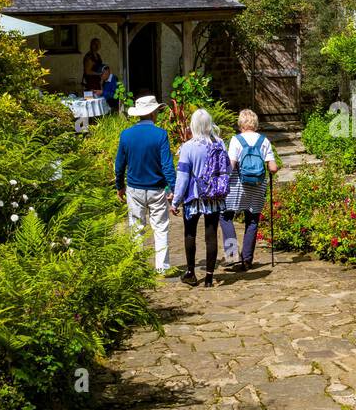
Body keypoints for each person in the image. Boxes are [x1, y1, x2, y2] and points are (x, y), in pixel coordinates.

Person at [114, 95, 175, 274]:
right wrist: (173, 188)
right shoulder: (160, 135)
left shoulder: (126, 135)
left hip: (134, 188)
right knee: (160, 228)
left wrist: (119, 186)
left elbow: (119, 165)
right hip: (157, 188)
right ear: (153, 113)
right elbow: (167, 166)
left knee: (136, 228)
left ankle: (138, 267)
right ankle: (162, 268)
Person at [171, 108, 230, 287]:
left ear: (193, 125)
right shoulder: (220, 143)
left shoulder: (188, 147)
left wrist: (176, 201)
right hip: (214, 196)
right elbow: (227, 169)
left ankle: (191, 273)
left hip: (194, 196)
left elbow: (182, 177)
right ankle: (210, 278)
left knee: (190, 233)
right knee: (211, 235)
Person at [219, 109, 277, 270]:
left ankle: (232, 256)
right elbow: (273, 167)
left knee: (225, 216)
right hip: (258, 186)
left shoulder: (236, 140)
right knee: (252, 220)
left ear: (241, 124)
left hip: (238, 185)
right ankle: (247, 260)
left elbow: (230, 165)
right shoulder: (264, 141)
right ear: (255, 124)